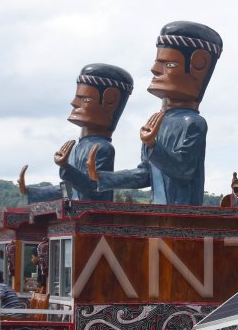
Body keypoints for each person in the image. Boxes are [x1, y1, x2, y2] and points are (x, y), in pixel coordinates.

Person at [88, 21, 223, 206]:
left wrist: (152, 145)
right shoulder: (157, 123)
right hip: (159, 213)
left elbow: (183, 171)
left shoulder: (193, 123)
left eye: (168, 63)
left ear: (199, 66)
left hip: (184, 215)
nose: (155, 69)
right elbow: (145, 174)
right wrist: (102, 177)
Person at [18, 64, 134, 202]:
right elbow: (70, 189)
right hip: (74, 215)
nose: (74, 103)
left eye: (85, 99)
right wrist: (31, 192)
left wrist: (66, 168)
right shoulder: (74, 149)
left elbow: (95, 189)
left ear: (110, 101)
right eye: (77, 97)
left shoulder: (103, 148)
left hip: (93, 217)